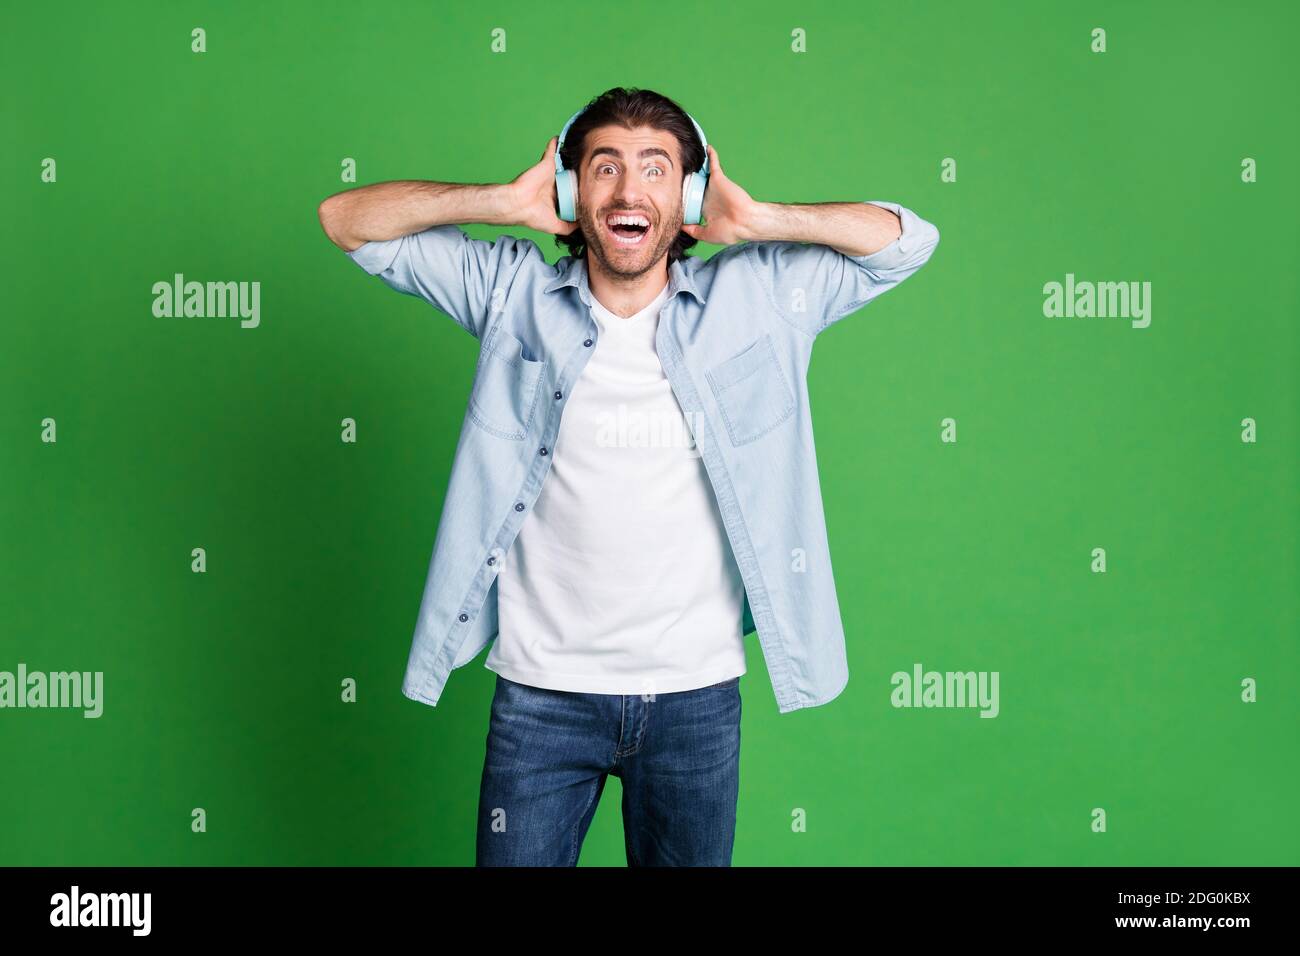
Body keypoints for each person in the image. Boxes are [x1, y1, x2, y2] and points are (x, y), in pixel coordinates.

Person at [317, 87, 940, 866]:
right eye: (604, 168)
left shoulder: (757, 297)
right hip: (541, 699)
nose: (628, 190)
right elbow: (346, 223)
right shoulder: (513, 295)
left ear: (689, 195)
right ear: (575, 192)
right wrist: (501, 204)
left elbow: (907, 243)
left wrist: (759, 220)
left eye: (657, 169)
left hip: (695, 701)